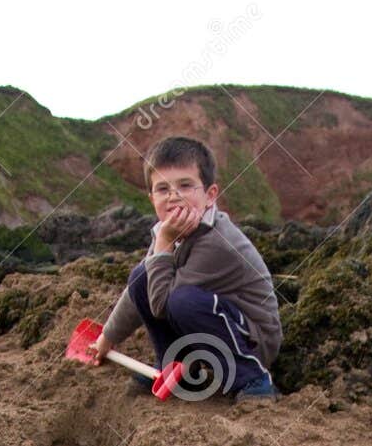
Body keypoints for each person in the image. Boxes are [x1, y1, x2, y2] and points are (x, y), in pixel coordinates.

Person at [89, 135, 281, 400]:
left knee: (182, 300)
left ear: (210, 195)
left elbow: (162, 305)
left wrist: (165, 243)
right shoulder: (168, 232)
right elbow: (140, 288)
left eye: (185, 186)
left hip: (253, 338)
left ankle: (253, 377)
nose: (174, 197)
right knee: (143, 275)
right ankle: (178, 367)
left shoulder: (217, 241)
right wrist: (107, 337)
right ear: (151, 198)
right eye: (163, 189)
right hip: (216, 323)